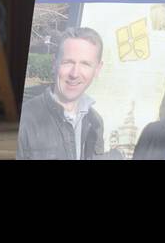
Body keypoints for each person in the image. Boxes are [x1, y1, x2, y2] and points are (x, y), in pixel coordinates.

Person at [16, 28, 108, 160]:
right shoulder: (24, 120)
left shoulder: (95, 122)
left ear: (97, 69)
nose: (74, 74)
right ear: (54, 64)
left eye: (85, 64)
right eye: (68, 62)